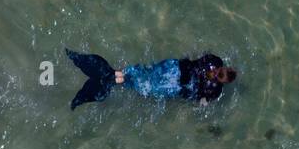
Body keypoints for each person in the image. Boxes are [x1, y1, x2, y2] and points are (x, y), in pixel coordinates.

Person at [66, 49, 236, 110]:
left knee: (142, 74)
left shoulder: (215, 61)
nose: (215, 74)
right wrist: (202, 103)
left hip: (174, 69)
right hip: (175, 81)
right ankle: (109, 79)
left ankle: (112, 75)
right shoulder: (215, 90)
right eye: (218, 72)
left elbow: (198, 56)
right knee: (143, 84)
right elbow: (201, 103)